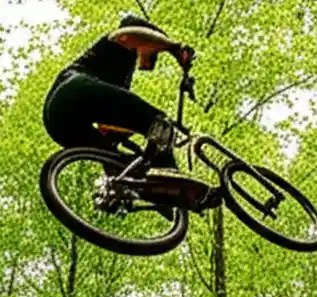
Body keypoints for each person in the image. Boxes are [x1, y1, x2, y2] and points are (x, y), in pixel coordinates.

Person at [42, 13, 212, 208]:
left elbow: (112, 123)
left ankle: (123, 190)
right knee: (159, 124)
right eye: (152, 53)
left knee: (117, 158)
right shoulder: (120, 43)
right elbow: (130, 32)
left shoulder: (119, 81)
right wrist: (174, 48)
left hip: (59, 124)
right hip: (73, 90)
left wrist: (137, 141)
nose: (150, 62)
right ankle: (173, 180)